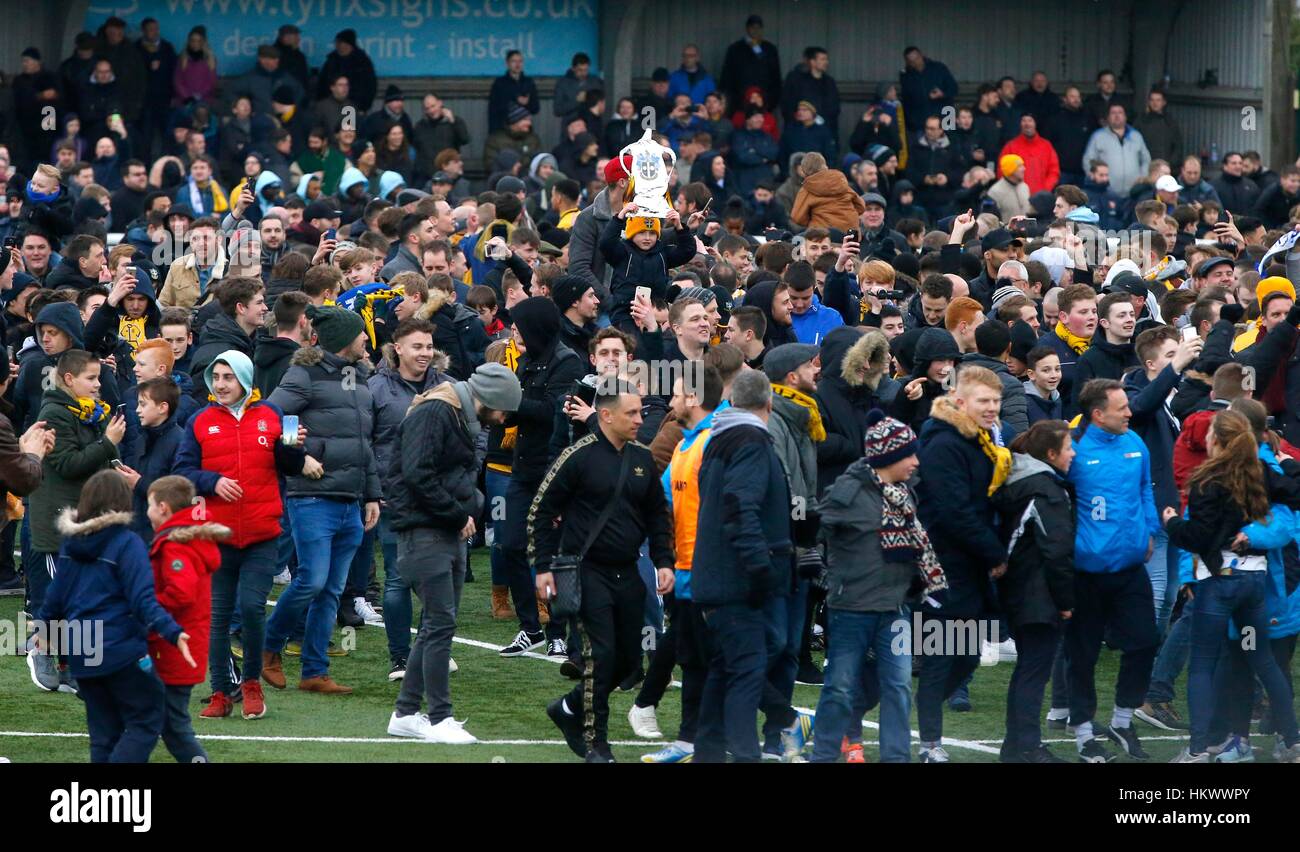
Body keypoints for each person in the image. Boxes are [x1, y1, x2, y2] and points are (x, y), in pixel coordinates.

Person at [535, 380, 674, 763]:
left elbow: (657, 515)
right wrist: (543, 566)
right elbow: (541, 510)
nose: (638, 420)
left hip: (628, 571)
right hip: (585, 570)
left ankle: (568, 708)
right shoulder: (576, 456)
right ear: (607, 415)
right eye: (631, 413)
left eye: (640, 412)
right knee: (601, 656)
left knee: (629, 664)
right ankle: (598, 745)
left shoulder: (643, 458)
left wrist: (663, 559)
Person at [386, 363, 522, 744]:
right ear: (489, 400)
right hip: (424, 530)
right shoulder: (435, 412)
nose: (502, 419)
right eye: (501, 410)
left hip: (446, 528)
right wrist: (457, 510)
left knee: (435, 624)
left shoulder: (457, 414)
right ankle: (439, 717)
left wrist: (469, 506)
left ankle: (405, 713)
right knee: (440, 624)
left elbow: (445, 475)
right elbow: (417, 473)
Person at [1163, 410, 1300, 763]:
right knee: (1262, 658)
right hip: (1253, 590)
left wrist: (1172, 522)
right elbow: (1293, 495)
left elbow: (1197, 536)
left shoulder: (1208, 479)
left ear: (1218, 441)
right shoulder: (1261, 473)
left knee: (1203, 665)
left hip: (1219, 588)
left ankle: (1197, 750)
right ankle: (1292, 738)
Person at [175, 350, 305, 719]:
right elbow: (182, 471)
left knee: (250, 608)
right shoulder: (200, 420)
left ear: (245, 380)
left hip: (262, 533)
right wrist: (213, 481)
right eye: (216, 377)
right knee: (216, 618)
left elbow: (290, 467)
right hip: (215, 536)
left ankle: (250, 683)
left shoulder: (271, 415)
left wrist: (291, 448)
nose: (220, 384)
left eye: (228, 377)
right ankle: (220, 691)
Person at [35, 470, 194, 762]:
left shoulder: (70, 545)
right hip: (119, 648)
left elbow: (54, 597)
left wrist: (43, 632)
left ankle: (101, 806)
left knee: (103, 735)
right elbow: (143, 600)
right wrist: (172, 631)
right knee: (146, 720)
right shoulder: (127, 543)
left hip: (82, 651)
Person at [263, 307, 381, 695]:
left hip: (350, 497)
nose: (367, 340)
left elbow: (366, 445)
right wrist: (299, 458)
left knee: (331, 588)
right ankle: (267, 646)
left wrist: (371, 494)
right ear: (345, 340)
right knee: (311, 580)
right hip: (312, 495)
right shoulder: (303, 374)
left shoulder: (361, 378)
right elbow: (267, 418)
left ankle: (314, 671)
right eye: (361, 334)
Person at [812, 410, 941, 763]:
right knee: (839, 689)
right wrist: (821, 570)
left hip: (896, 606)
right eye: (909, 454)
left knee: (898, 689)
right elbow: (814, 528)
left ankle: (895, 759)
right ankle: (822, 757)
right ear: (889, 457)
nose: (916, 461)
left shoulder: (904, 494)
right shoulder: (848, 493)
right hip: (851, 607)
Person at [691, 370, 804, 763]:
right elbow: (741, 505)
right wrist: (761, 569)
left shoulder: (718, 439)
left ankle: (708, 752)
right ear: (769, 404)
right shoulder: (752, 442)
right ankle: (746, 754)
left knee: (727, 668)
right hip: (735, 580)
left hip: (716, 576)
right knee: (746, 673)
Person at [914, 367, 1010, 762]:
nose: (991, 408)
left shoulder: (979, 439)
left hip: (970, 567)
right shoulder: (944, 444)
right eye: (983, 401)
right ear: (960, 401)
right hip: (940, 568)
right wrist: (995, 552)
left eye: (995, 401)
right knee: (938, 658)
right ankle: (930, 744)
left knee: (967, 656)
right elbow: (954, 511)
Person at [1066, 378, 1161, 762]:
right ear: (1097, 414)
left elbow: (1145, 491)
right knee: (1083, 654)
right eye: (1121, 408)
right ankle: (1084, 734)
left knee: (1145, 641)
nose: (1129, 412)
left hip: (1129, 567)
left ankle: (1122, 720)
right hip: (1086, 573)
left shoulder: (1135, 444)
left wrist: (1150, 530)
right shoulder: (1074, 450)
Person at [25, 348, 126, 692]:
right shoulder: (55, 412)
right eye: (92, 378)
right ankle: (40, 649)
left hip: (81, 518)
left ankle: (71, 668)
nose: (98, 384)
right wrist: (108, 444)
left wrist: (112, 466)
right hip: (58, 520)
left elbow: (89, 460)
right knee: (62, 596)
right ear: (69, 379)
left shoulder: (84, 410)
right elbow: (67, 465)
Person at [496, 298, 585, 657]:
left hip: (554, 469)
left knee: (555, 554)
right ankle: (529, 627)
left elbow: (553, 412)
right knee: (511, 545)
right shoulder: (530, 360)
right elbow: (520, 408)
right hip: (523, 469)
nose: (515, 330)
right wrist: (499, 412)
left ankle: (557, 631)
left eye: (519, 324)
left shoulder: (567, 361)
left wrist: (509, 404)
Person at [991, 420, 1077, 763]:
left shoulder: (1023, 483)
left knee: (1027, 668)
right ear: (1052, 454)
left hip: (1019, 591)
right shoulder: (1047, 491)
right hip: (1038, 596)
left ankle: (1015, 747)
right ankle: (1027, 746)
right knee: (1033, 671)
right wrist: (1067, 601)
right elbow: (1057, 551)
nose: (1073, 454)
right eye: (1069, 448)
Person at [145, 475, 227, 763]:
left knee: (175, 726)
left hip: (175, 646)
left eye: (150, 505)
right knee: (169, 721)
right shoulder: (190, 537)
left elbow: (181, 593)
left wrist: (147, 607)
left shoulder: (175, 544)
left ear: (164, 507)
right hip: (186, 643)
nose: (147, 512)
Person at [599, 202, 699, 333]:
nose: (647, 238)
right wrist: (620, 217)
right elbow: (606, 243)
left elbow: (688, 251)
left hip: (656, 313)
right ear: (631, 233)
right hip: (625, 313)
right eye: (641, 233)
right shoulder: (622, 251)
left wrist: (679, 227)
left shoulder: (662, 253)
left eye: (652, 233)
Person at [1072, 291, 1138, 412]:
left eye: (1132, 315)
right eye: (1121, 315)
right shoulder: (1088, 361)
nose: (1130, 320)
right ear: (1104, 323)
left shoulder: (1143, 354)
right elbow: (1080, 409)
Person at [1082, 104, 1151, 195]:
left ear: (1125, 116)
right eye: (1113, 113)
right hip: (1106, 192)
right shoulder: (1098, 136)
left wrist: (1143, 176)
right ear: (1108, 117)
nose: (1117, 115)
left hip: (1134, 192)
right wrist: (1095, 178)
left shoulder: (1136, 136)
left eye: (1120, 112)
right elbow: (1088, 160)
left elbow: (1146, 159)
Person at [719, 15, 782, 114]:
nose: (755, 31)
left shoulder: (770, 49)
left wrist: (772, 101)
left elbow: (775, 77)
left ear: (762, 29)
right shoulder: (735, 49)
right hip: (739, 103)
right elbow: (727, 76)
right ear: (747, 29)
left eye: (758, 28)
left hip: (764, 102)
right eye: (752, 27)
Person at [488, 50, 539, 132]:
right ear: (507, 64)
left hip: (524, 130)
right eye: (514, 61)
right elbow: (494, 110)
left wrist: (527, 103)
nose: (517, 64)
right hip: (504, 130)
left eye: (520, 61)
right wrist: (516, 99)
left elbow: (535, 108)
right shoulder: (500, 83)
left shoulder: (529, 82)